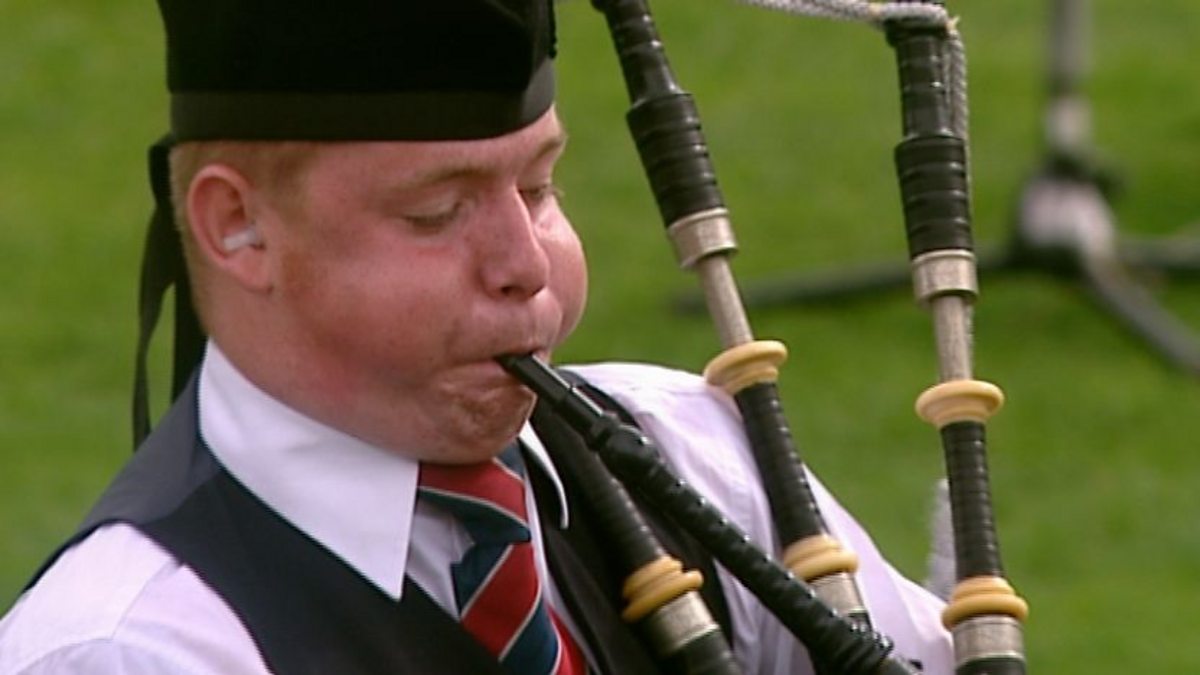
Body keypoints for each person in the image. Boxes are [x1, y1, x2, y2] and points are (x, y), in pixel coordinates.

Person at [0, 1, 953, 673]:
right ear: (237, 227)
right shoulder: (137, 650)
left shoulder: (694, 457)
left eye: (539, 188)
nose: (525, 263)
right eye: (437, 211)